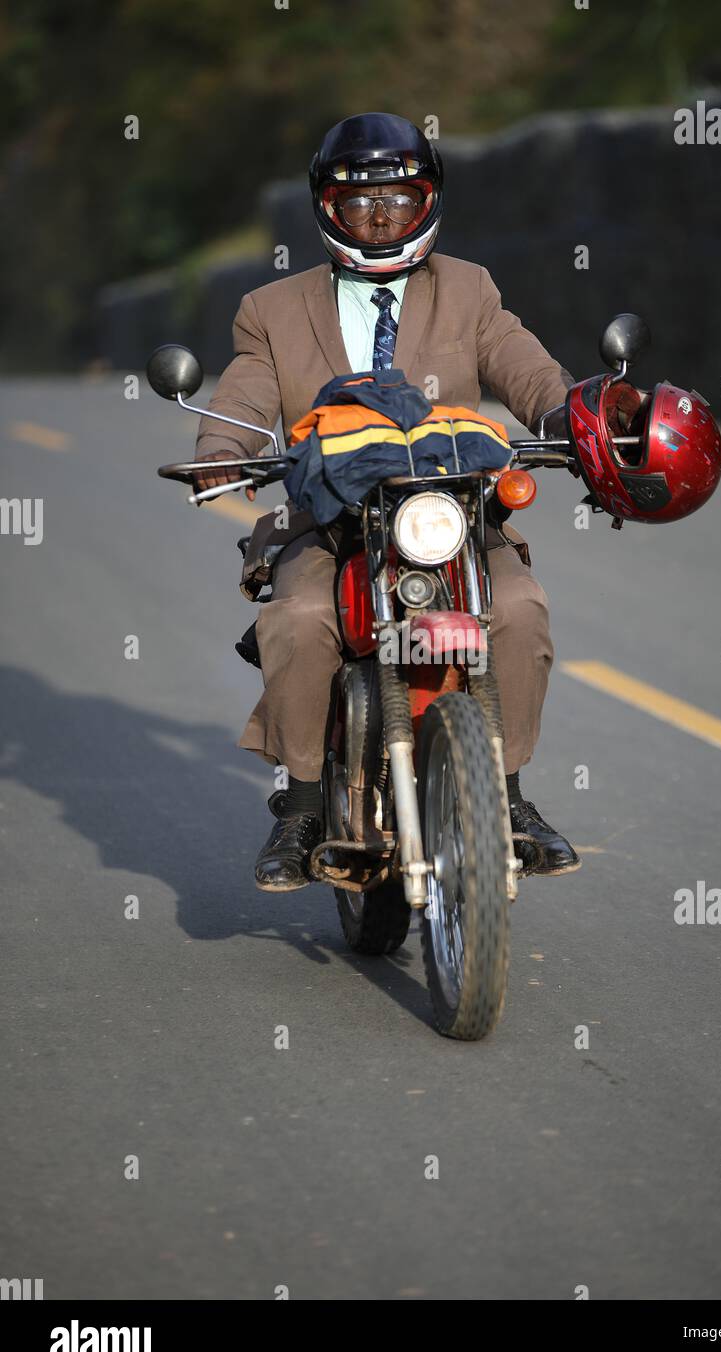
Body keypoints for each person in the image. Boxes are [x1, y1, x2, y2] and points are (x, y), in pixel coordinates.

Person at [194, 111, 580, 890]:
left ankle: (506, 794)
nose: (379, 217)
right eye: (358, 202)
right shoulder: (271, 310)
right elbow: (243, 397)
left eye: (399, 200)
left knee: (520, 607)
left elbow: (527, 368)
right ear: (326, 209)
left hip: (451, 517)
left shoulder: (469, 289)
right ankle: (303, 802)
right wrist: (220, 455)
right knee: (300, 618)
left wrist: (575, 417)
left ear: (427, 202)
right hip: (332, 521)